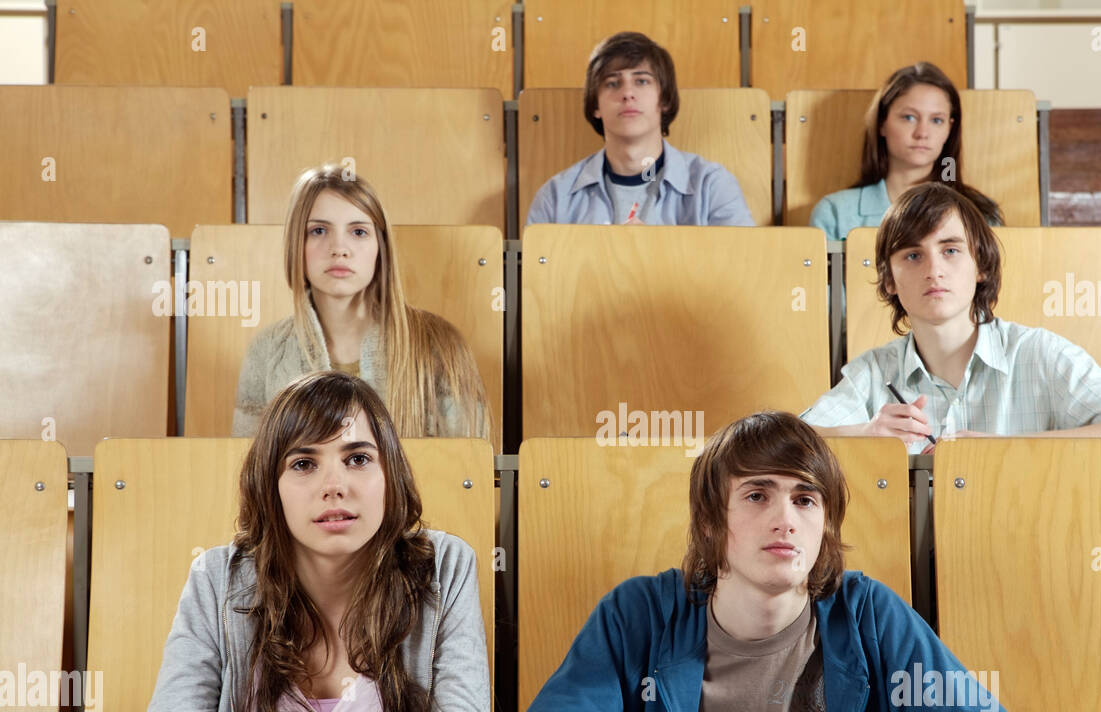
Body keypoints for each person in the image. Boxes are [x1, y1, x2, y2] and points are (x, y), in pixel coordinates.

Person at [494, 411, 1045, 712]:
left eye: (805, 500)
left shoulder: (870, 614)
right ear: (712, 522)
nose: (786, 519)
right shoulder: (638, 614)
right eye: (758, 495)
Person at [135, 372, 490, 712]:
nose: (334, 485)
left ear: (389, 475)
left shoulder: (446, 566)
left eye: (357, 458)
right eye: (304, 464)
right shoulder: (217, 578)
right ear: (272, 486)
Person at [802, 183, 1101, 450]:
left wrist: (1008, 452)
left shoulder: (1038, 354)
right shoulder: (871, 373)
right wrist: (866, 436)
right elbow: (776, 446)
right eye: (913, 256)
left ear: (980, 265)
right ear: (889, 282)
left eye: (950, 250)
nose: (934, 270)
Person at [233, 164, 490, 440]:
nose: (339, 249)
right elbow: (251, 473)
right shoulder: (266, 351)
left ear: (381, 247)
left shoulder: (440, 345)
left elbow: (468, 473)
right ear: (296, 244)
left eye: (358, 232)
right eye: (319, 230)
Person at [525, 31, 754, 227]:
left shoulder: (711, 185)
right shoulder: (556, 196)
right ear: (596, 105)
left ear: (663, 99)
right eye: (612, 83)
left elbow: (740, 270)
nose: (627, 93)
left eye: (642, 81)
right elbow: (537, 278)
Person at [810, 62, 1003, 241]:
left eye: (936, 120)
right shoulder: (836, 212)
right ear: (882, 123)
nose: (922, 133)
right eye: (909, 117)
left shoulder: (981, 213)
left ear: (949, 129)